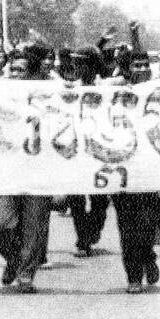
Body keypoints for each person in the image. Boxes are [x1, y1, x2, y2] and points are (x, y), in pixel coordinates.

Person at [0, 50, 53, 293]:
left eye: (20, 70)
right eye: (12, 69)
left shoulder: (49, 95)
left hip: (39, 172)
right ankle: (14, 260)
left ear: (33, 73)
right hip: (8, 172)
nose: (14, 74)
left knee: (33, 228)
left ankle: (26, 275)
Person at [110, 52, 160, 293]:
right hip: (123, 171)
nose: (141, 69)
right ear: (128, 68)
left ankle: (148, 256)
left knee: (147, 226)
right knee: (128, 227)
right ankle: (133, 275)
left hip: (151, 172)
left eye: (145, 65)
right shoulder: (114, 92)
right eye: (136, 65)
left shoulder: (159, 90)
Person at [64, 45, 109, 257]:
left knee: (100, 197)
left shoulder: (106, 86)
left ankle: (94, 229)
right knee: (76, 198)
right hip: (77, 149)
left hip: (100, 148)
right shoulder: (71, 88)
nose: (77, 66)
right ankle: (82, 238)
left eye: (82, 62)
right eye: (75, 62)